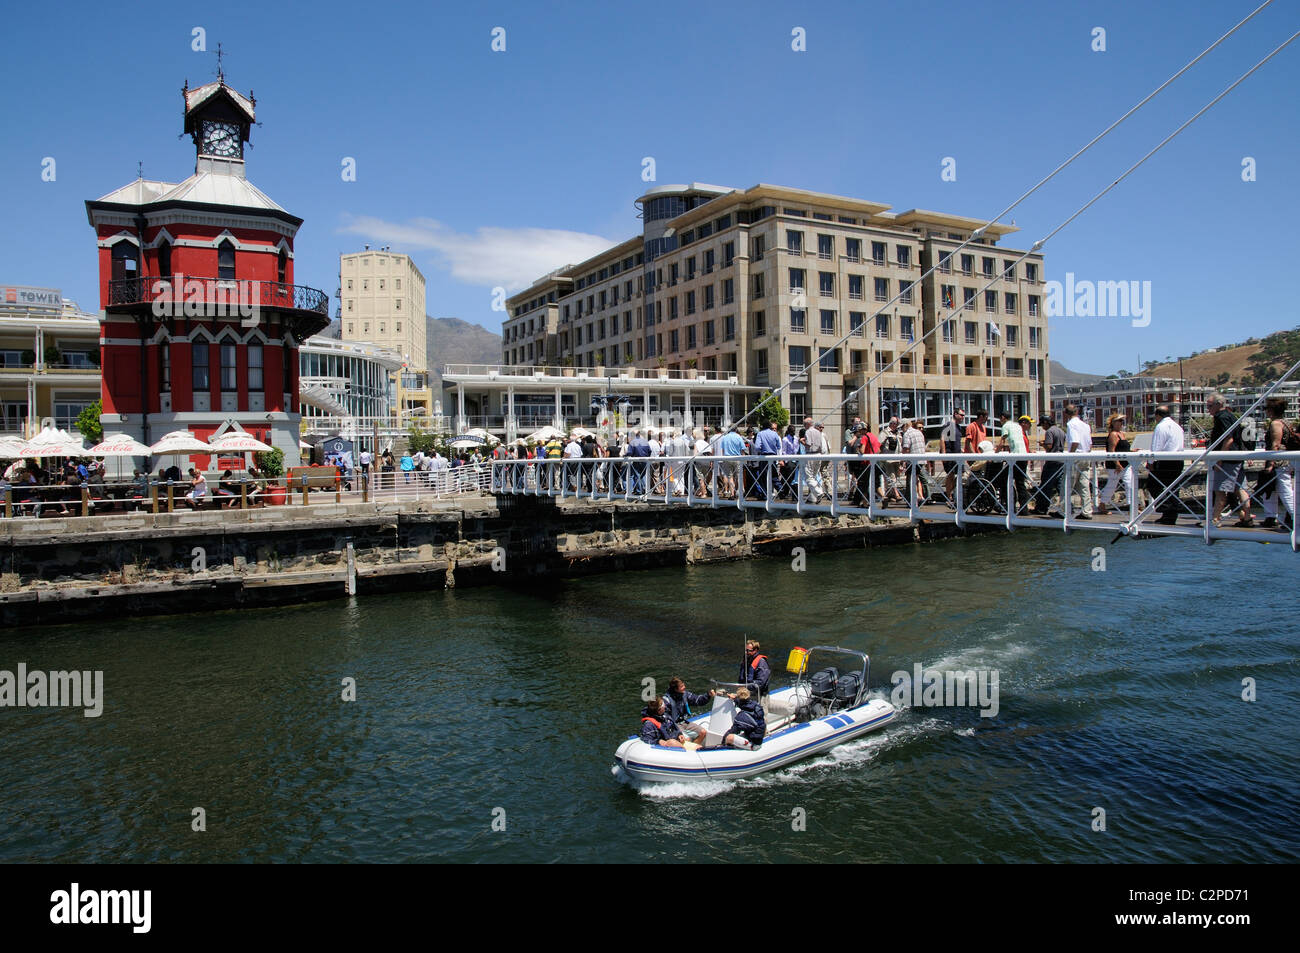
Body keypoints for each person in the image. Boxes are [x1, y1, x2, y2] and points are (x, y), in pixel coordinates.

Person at [1207, 393, 1252, 527]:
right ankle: (1247, 517)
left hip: (1228, 459)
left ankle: (1215, 520)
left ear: (1218, 405)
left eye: (1210, 406)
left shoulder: (1222, 417)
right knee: (1239, 489)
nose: (1208, 409)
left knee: (1220, 490)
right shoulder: (1230, 416)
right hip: (1236, 457)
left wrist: (1220, 457)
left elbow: (1229, 438)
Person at [1258, 396, 1296, 530]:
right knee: (1271, 489)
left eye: (1266, 408)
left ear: (1271, 410)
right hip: (1284, 460)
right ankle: (1270, 516)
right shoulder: (1286, 422)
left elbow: (1276, 444)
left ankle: (1295, 517)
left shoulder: (1276, 424)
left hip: (1279, 461)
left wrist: (1270, 464)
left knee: (1283, 490)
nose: (1265, 411)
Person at [1147, 404, 1186, 524]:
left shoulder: (1161, 426)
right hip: (1178, 460)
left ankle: (1167, 509)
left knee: (1153, 485)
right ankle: (1170, 516)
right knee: (1172, 488)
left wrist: (1150, 463)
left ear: (1158, 415)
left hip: (1165, 461)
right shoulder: (1177, 426)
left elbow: (1156, 447)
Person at [1097, 414, 1135, 515]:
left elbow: (1123, 449)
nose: (1121, 423)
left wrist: (1132, 451)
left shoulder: (1122, 434)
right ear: (1113, 423)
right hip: (1115, 465)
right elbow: (1111, 451)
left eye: (1122, 421)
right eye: (1119, 421)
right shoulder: (1113, 434)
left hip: (1125, 464)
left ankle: (1131, 506)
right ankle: (1103, 505)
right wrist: (1117, 463)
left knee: (1128, 483)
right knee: (1112, 485)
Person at [1063, 403, 1094, 519]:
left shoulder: (1071, 424)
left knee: (1067, 484)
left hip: (1076, 457)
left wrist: (1070, 456)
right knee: (1084, 486)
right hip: (1086, 456)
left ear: (1066, 414)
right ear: (1077, 412)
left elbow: (1075, 441)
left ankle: (1063, 510)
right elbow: (1090, 444)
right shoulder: (1086, 425)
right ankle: (1087, 511)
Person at [663, 677, 715, 745]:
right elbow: (666, 719)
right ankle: (690, 750)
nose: (684, 687)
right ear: (675, 689)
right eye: (681, 686)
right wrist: (677, 733)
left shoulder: (685, 694)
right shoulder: (666, 700)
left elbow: (697, 700)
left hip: (684, 722)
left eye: (684, 685)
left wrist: (708, 695)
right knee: (687, 739)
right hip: (674, 725)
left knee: (703, 732)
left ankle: (694, 749)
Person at [996, 409, 1029, 513]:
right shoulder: (1017, 426)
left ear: (1003, 418)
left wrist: (995, 453)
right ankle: (1024, 509)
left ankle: (1009, 506)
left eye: (1000, 419)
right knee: (1020, 483)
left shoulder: (1005, 426)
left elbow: (1002, 442)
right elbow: (1016, 440)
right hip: (1023, 456)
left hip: (1015, 458)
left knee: (1003, 480)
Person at [1034, 414, 1067, 516]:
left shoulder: (1049, 431)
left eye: (1042, 425)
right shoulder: (1061, 431)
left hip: (1052, 461)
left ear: (1045, 423)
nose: (1042, 428)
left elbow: (1049, 446)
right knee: (1060, 485)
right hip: (1061, 460)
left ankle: (1042, 508)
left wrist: (1042, 444)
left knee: (1045, 484)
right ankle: (1067, 507)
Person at [941, 408, 966, 505]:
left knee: (960, 474)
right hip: (949, 454)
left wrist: (961, 450)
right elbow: (943, 439)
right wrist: (943, 455)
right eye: (961, 415)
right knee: (950, 475)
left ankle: (953, 494)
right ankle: (948, 497)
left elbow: (955, 441)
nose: (963, 417)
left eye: (964, 415)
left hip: (957, 455)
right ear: (955, 414)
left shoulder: (958, 427)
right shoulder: (949, 425)